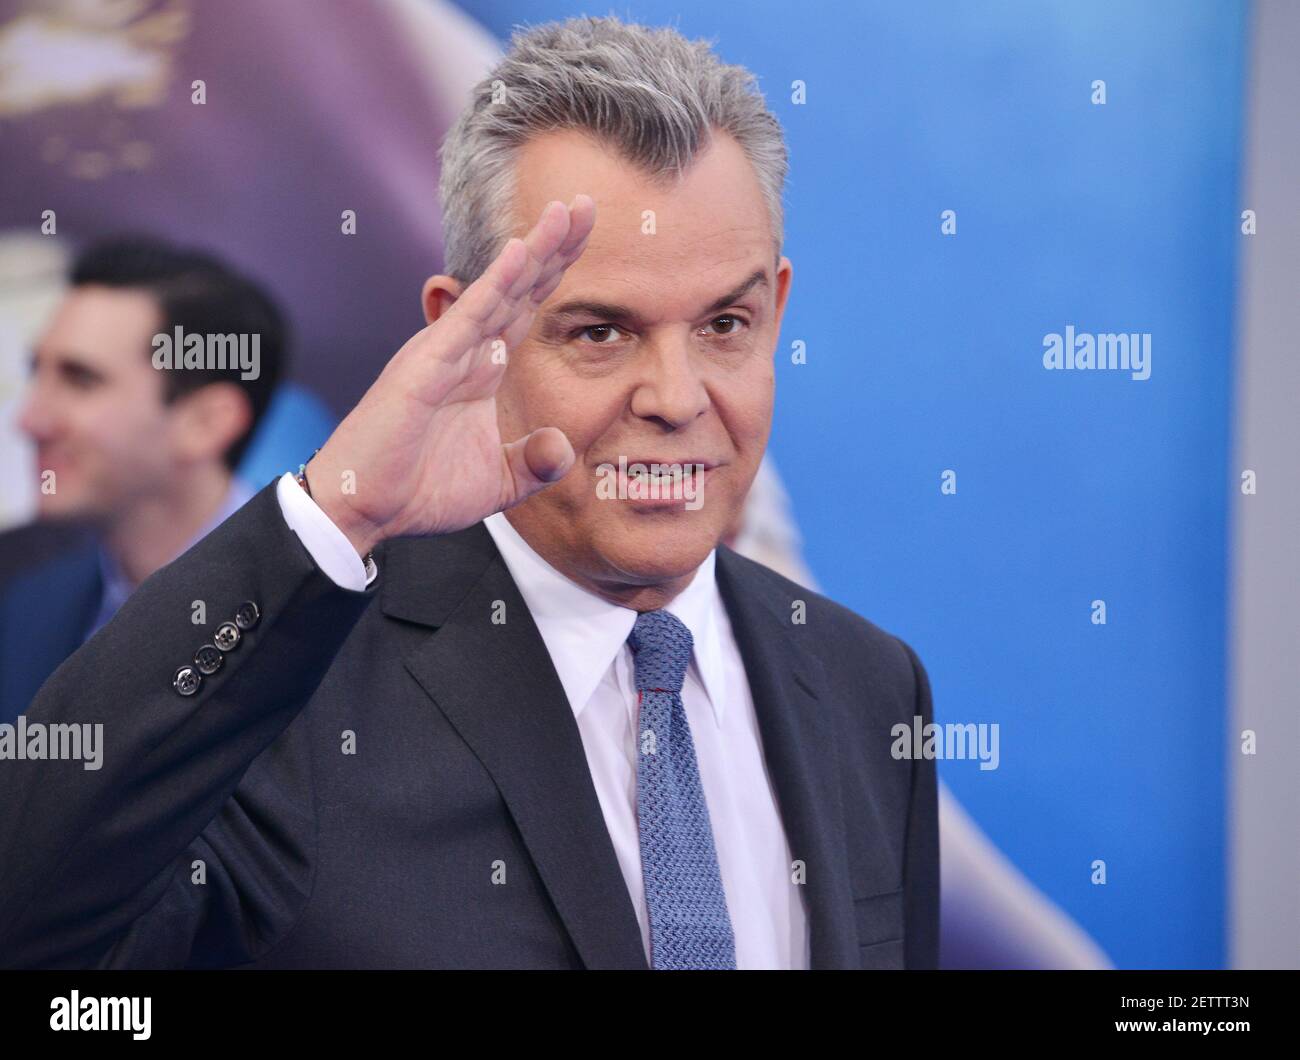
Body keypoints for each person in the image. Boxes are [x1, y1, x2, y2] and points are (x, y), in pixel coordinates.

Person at [0, 16, 937, 970]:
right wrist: (336, 512)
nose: (675, 399)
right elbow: (30, 916)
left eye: (725, 323)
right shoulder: (293, 701)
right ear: (465, 335)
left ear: (776, 309)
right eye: (599, 333)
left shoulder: (869, 687)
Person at [0, 237, 285, 724]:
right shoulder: (22, 608)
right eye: (37, 373)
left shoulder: (319, 617)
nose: (30, 420)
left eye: (80, 380)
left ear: (206, 424)